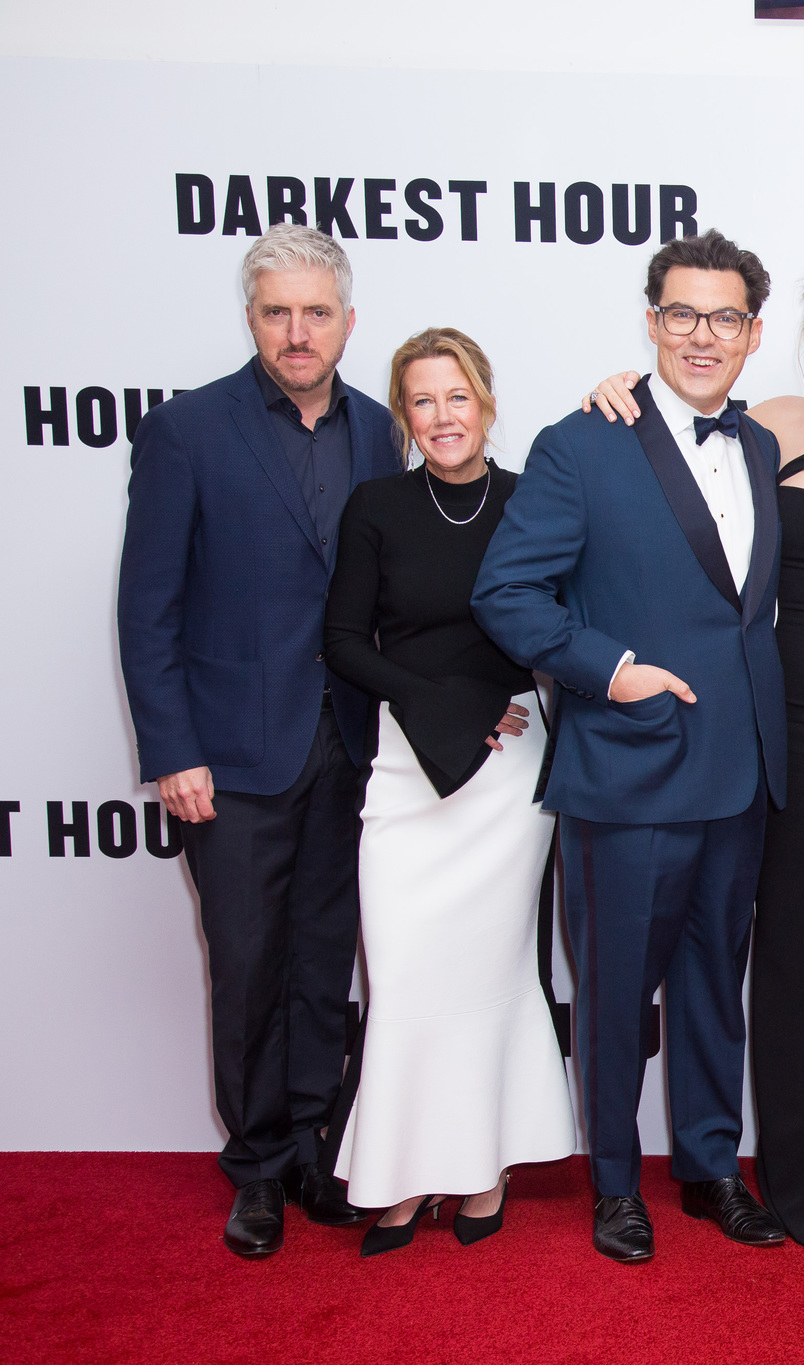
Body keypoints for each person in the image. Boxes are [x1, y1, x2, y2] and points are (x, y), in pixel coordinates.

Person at [583, 252, 804, 1250]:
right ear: (799, 335)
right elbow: (675, 441)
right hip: (755, 723)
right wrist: (615, 388)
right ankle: (773, 1166)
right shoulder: (768, 424)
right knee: (776, 964)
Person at [471, 230, 789, 1263]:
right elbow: (506, 593)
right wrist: (611, 670)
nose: (704, 336)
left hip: (737, 773)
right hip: (629, 764)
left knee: (712, 988)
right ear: (651, 322)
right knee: (611, 996)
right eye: (683, 314)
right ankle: (615, 1182)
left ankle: (706, 1167)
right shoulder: (580, 442)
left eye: (726, 317)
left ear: (752, 333)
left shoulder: (759, 446)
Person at [116, 223, 400, 1258]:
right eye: (277, 312)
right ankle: (256, 1168)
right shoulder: (189, 430)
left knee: (325, 961)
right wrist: (171, 749)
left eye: (315, 312)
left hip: (347, 747)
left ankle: (317, 1153)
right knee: (246, 965)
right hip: (228, 756)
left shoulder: (379, 430)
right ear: (250, 320)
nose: (296, 331)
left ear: (347, 322)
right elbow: (147, 609)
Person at [323, 328, 577, 1255]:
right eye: (422, 401)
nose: (442, 417)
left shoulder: (529, 501)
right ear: (403, 414)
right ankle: (397, 1175)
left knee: (492, 975)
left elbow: (552, 624)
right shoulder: (376, 507)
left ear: (487, 401)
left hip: (507, 777)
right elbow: (345, 641)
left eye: (457, 397)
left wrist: (487, 704)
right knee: (401, 976)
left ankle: (484, 1165)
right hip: (405, 766)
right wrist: (443, 703)